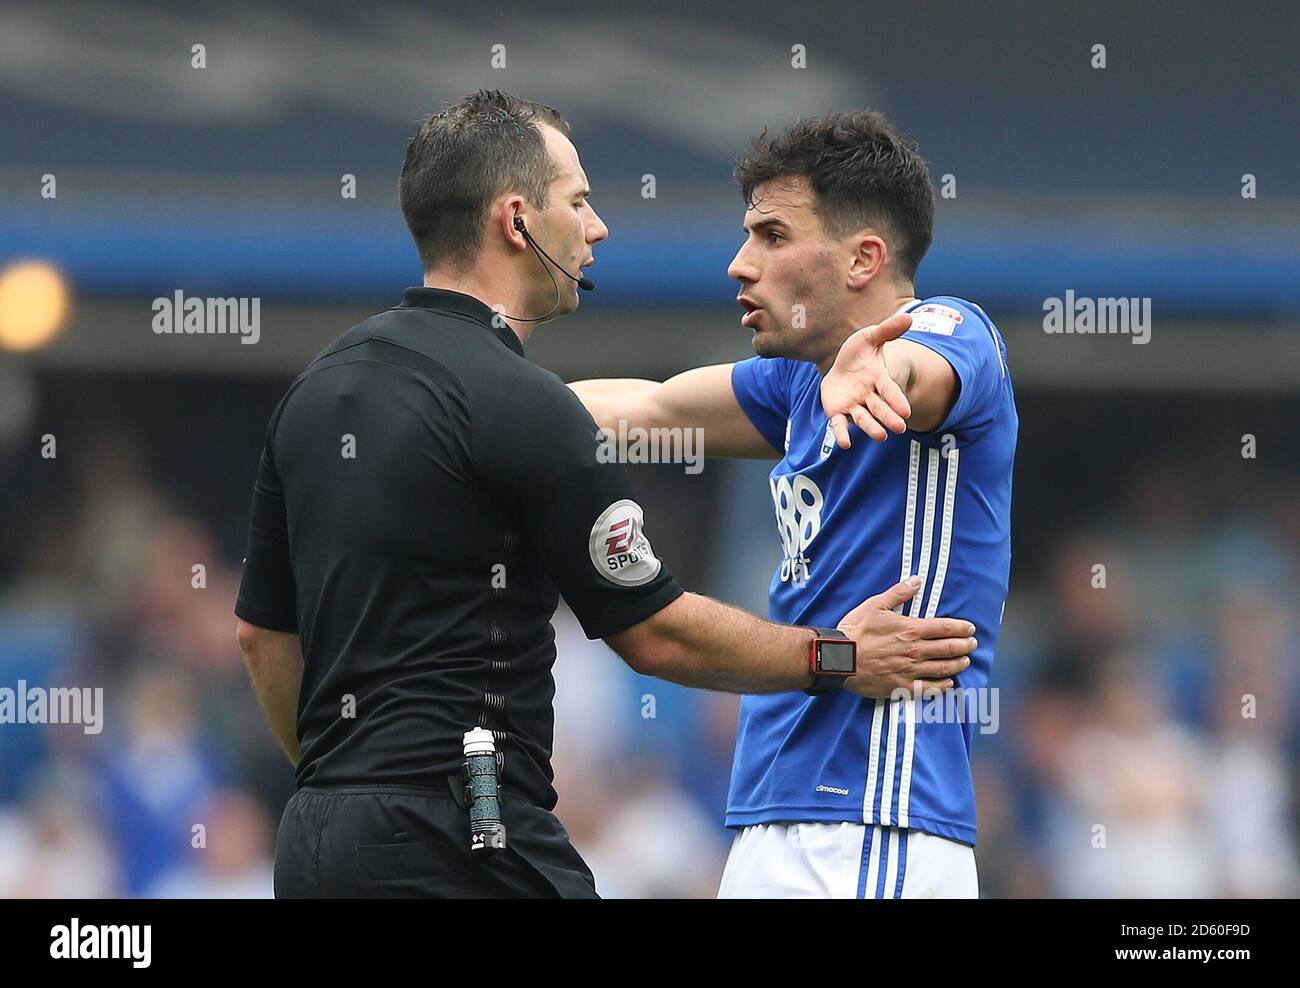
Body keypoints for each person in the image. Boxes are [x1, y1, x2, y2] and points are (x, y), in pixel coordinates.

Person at [234, 91, 976, 898]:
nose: (597, 228)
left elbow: (260, 639)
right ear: (518, 221)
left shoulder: (318, 394)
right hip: (472, 824)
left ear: (865, 258)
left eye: (769, 235)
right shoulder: (523, 405)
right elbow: (654, 634)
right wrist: (839, 654)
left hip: (317, 835)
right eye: (580, 202)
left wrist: (345, 779)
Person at [571, 109, 1018, 897]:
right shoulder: (798, 386)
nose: (740, 265)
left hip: (872, 820)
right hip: (779, 819)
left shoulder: (955, 333)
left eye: (772, 236)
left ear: (863, 258)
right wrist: (462, 393)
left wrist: (880, 372)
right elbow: (647, 413)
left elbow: (919, 370)